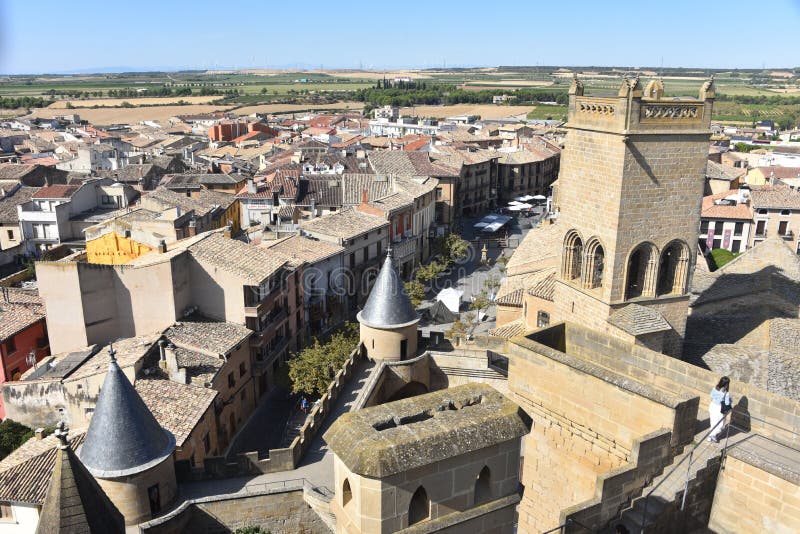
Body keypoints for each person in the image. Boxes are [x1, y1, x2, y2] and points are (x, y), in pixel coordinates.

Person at [708, 376, 732, 443]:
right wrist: (730, 401)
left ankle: (710, 437)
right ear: (727, 384)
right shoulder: (726, 393)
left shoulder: (715, 388)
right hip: (719, 409)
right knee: (720, 425)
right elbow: (727, 403)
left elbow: (711, 397)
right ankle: (712, 435)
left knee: (713, 423)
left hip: (712, 406)